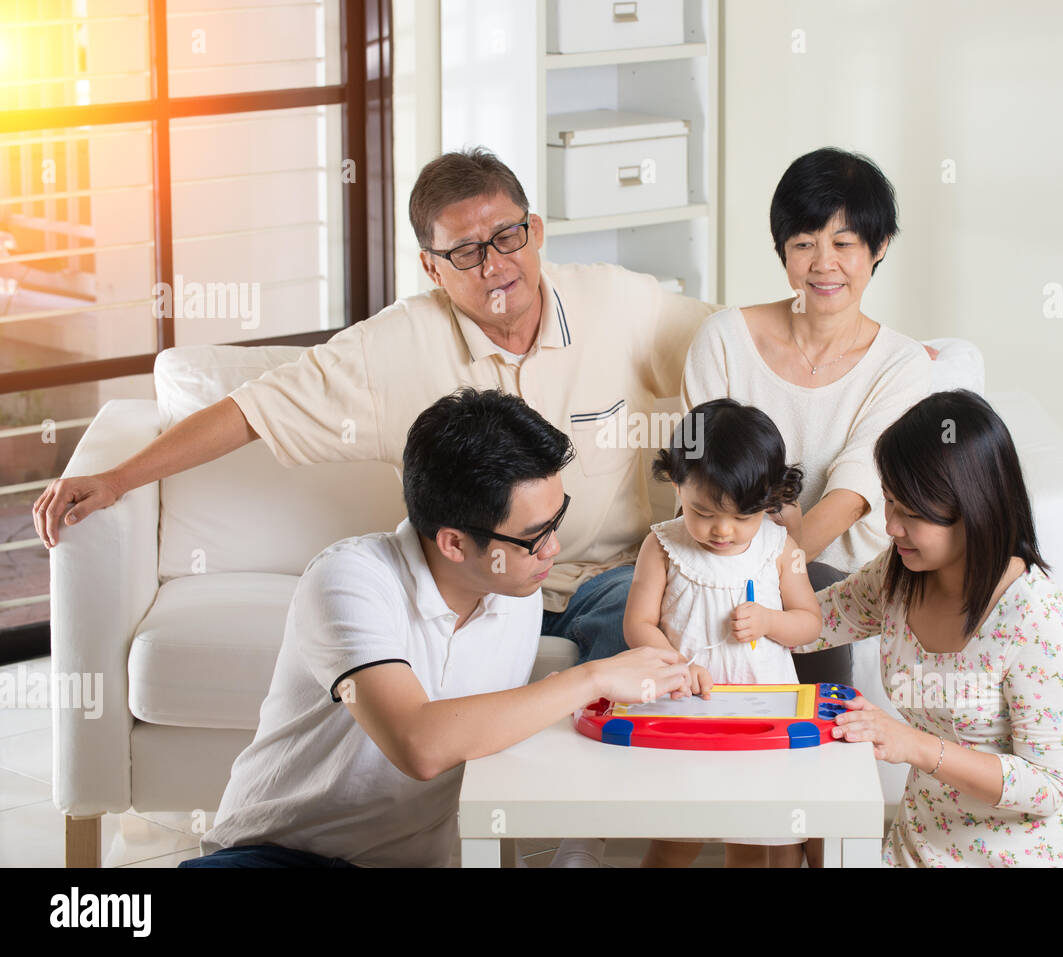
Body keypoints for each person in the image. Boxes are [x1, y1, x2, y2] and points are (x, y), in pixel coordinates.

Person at [34, 146, 713, 867]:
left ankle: (609, 850)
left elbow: (730, 343)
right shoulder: (358, 555)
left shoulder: (616, 301)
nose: (494, 265)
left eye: (508, 237)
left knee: (655, 627)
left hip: (602, 573)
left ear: (536, 229)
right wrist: (119, 477)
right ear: (430, 266)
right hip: (286, 843)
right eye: (466, 251)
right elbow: (258, 406)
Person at [180, 389, 689, 867]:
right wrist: (592, 678)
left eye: (557, 521)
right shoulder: (349, 580)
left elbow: (495, 735)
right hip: (279, 855)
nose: (553, 550)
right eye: (534, 537)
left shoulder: (515, 595)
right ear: (453, 544)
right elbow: (418, 744)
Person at [799, 389, 1063, 867]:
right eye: (890, 502)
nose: (892, 527)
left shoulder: (1036, 619)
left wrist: (915, 745)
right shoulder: (901, 574)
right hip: (926, 838)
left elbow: (1048, 787)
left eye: (912, 513)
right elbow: (818, 622)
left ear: (974, 508)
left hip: (1030, 852)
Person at [682, 147, 934, 692]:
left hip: (827, 569)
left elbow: (852, 494)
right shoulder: (725, 340)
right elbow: (699, 471)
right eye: (804, 245)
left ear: (879, 246)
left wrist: (776, 567)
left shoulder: (902, 365)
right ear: (782, 251)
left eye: (844, 244)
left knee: (810, 591)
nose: (824, 264)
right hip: (717, 551)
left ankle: (820, 756)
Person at [623, 400, 821, 868]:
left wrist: (771, 622)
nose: (723, 531)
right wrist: (678, 665)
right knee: (676, 837)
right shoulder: (663, 544)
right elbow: (637, 624)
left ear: (770, 502)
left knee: (752, 835)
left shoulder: (779, 547)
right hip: (686, 711)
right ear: (676, 482)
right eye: (703, 511)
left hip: (763, 716)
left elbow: (809, 621)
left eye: (742, 517)